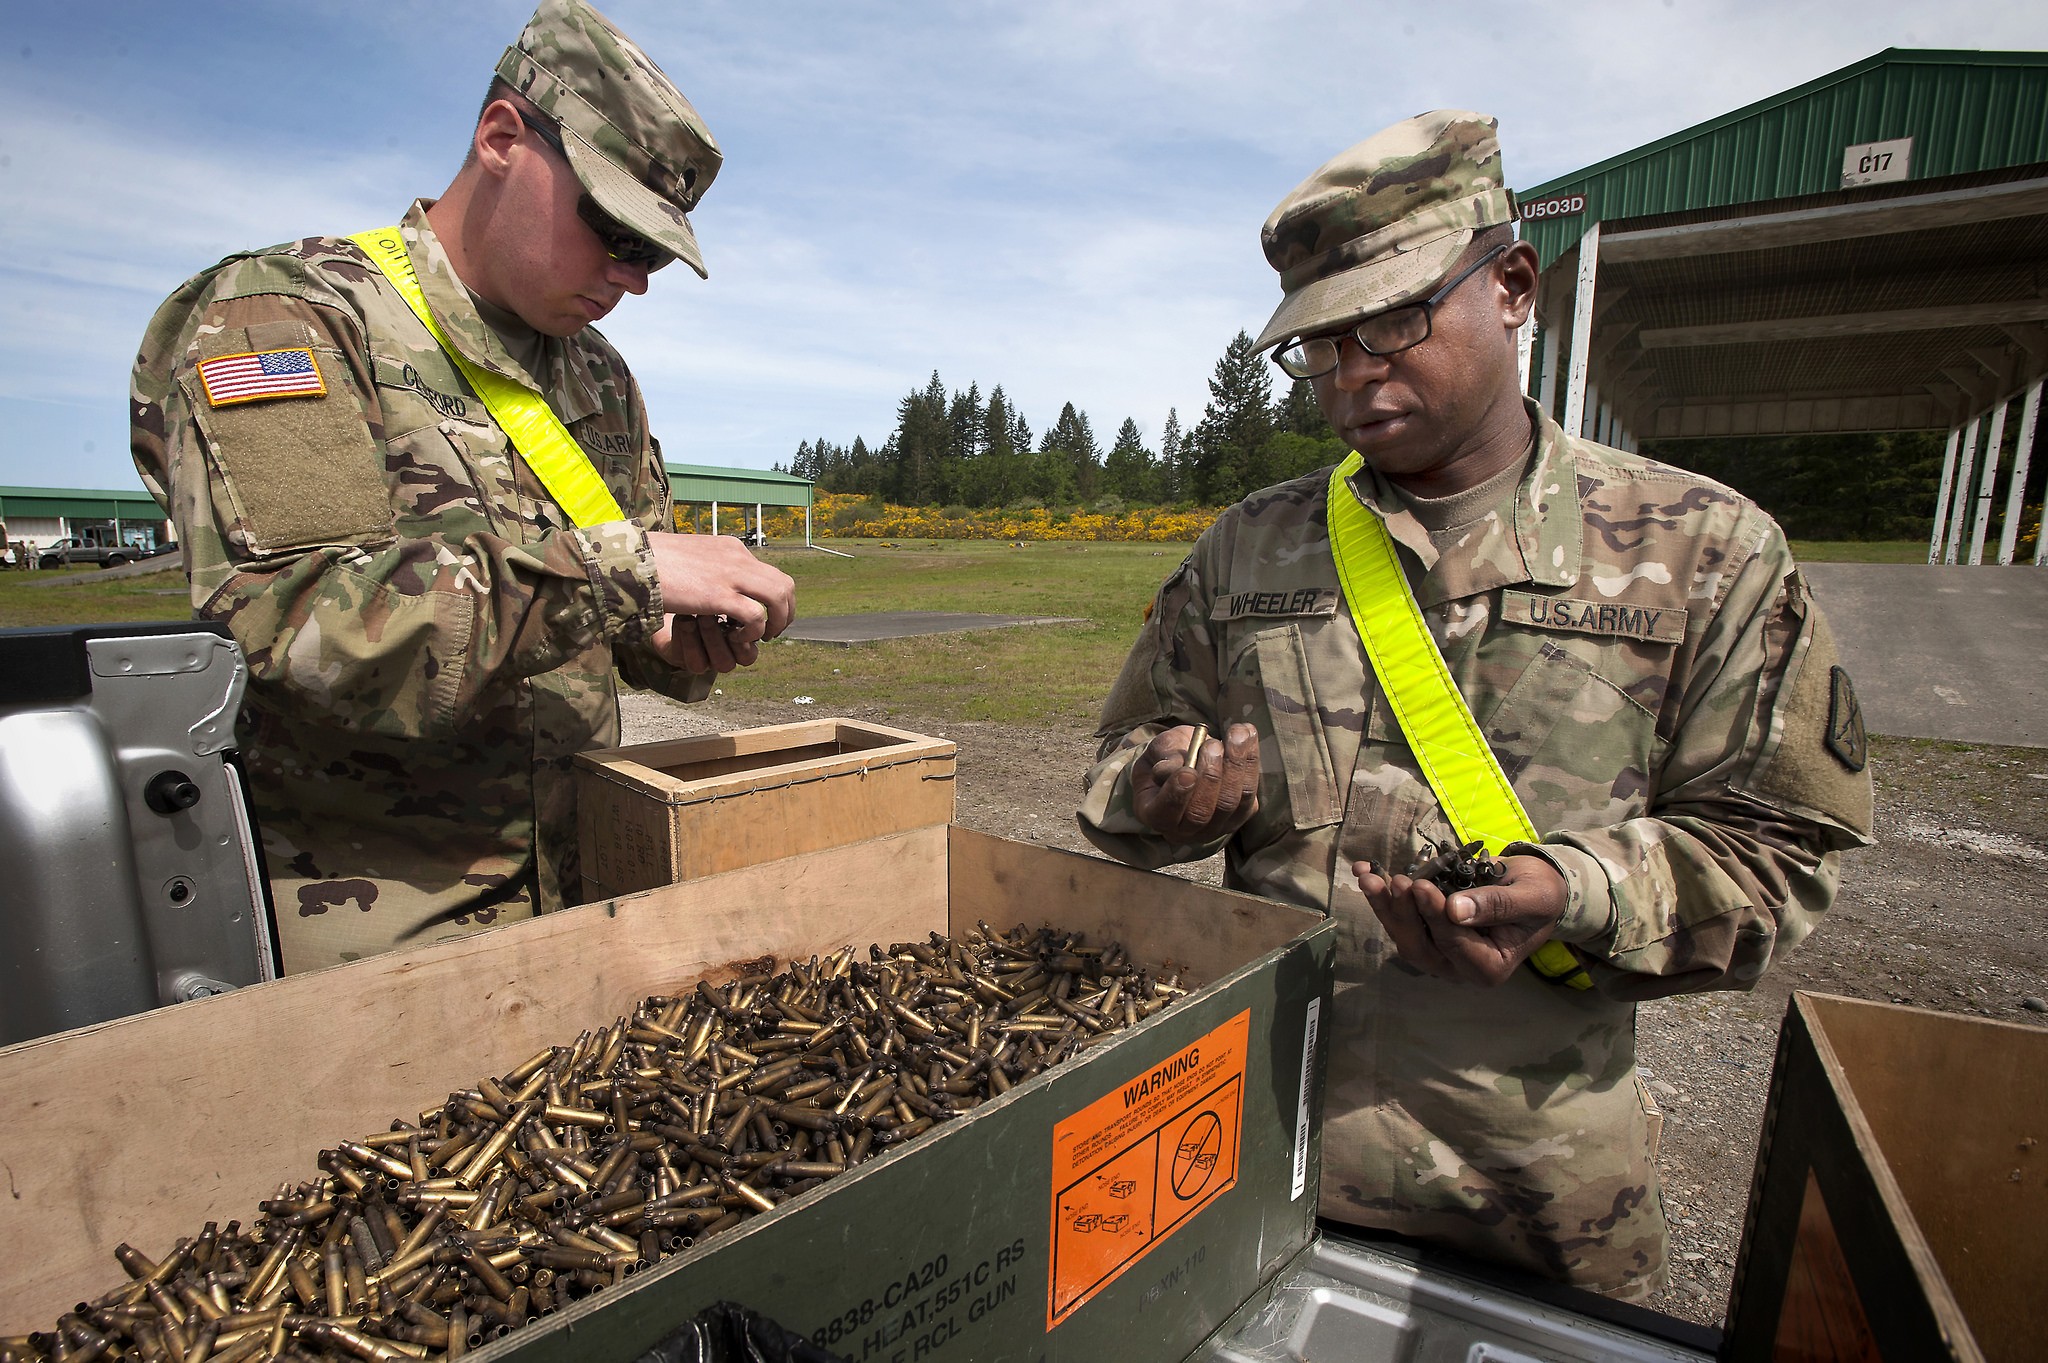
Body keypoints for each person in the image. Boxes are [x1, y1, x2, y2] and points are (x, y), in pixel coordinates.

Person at [1079, 111, 1872, 1298]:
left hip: (1534, 1201)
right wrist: (1162, 795)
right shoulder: (1248, 550)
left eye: (1392, 320)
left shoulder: (1703, 552)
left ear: (1510, 286)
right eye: (1320, 343)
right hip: (1245, 1155)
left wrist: (1576, 893)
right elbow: (1115, 766)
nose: (1351, 371)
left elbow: (1780, 855)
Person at [131, 0, 795, 973]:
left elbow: (621, 597)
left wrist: (668, 637)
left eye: (651, 251)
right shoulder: (284, 318)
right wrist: (623, 574)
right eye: (613, 228)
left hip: (590, 898)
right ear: (500, 139)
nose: (631, 277)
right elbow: (305, 622)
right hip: (385, 931)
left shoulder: (593, 377)